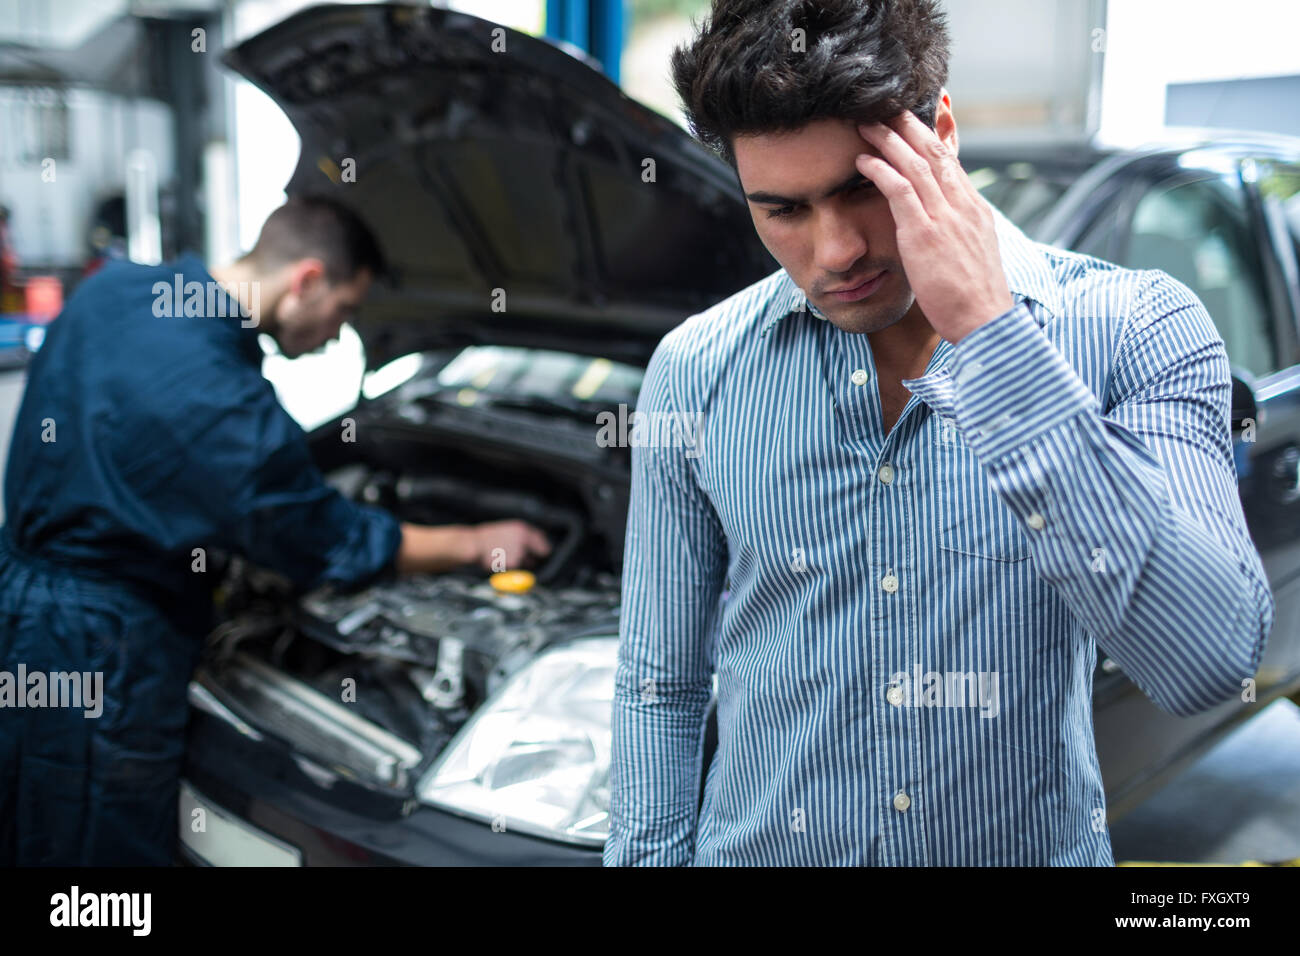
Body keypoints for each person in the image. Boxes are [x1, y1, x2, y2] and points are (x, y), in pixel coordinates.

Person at [604, 0, 1273, 866]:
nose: (835, 249)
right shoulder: (695, 371)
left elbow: (1209, 659)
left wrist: (993, 338)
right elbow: (660, 685)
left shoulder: (1135, 330)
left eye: (861, 189)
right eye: (783, 211)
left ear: (941, 132)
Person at [0, 195, 550, 865]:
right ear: (307, 281)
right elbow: (331, 541)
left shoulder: (114, 288)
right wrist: (475, 541)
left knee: (33, 815)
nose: (340, 334)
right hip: (104, 646)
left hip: (25, 607)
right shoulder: (225, 404)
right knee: (97, 852)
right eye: (345, 312)